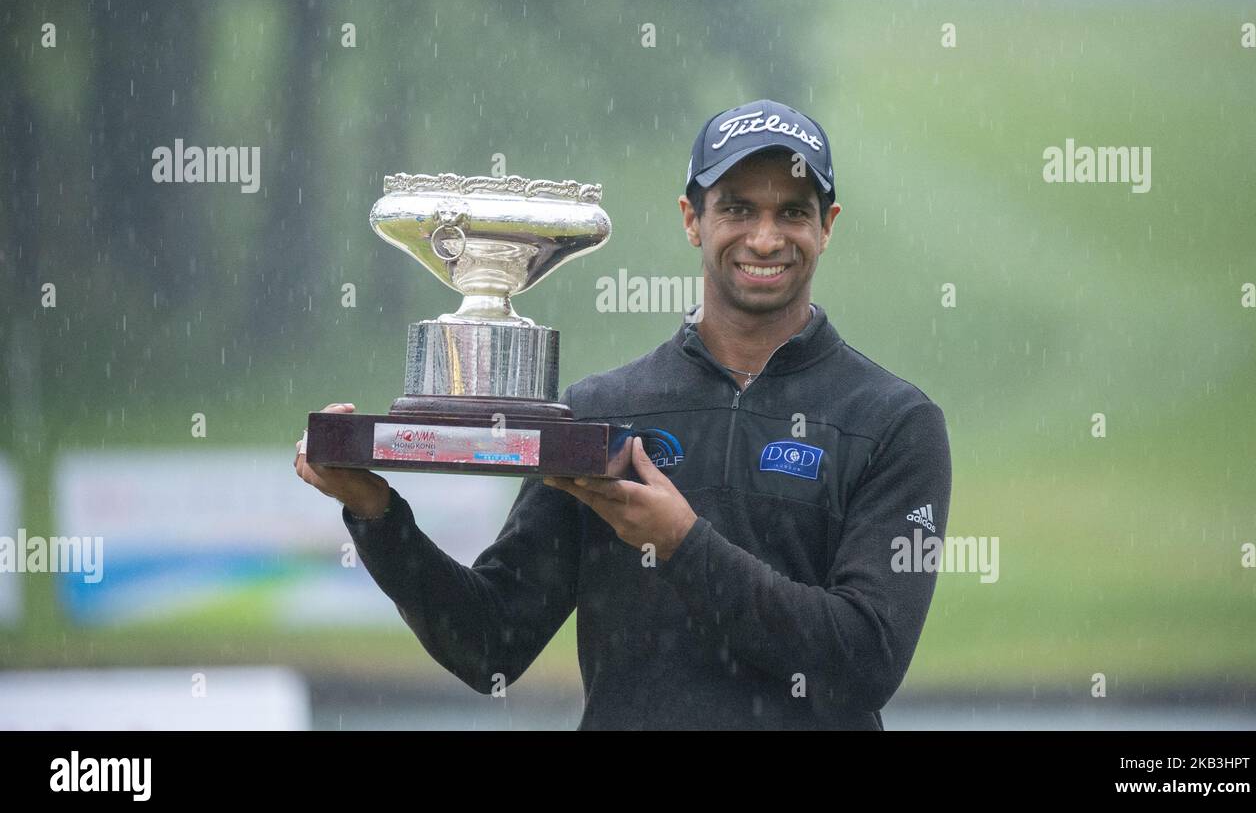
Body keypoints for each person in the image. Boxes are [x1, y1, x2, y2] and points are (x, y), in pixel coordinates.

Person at [294, 98, 952, 729]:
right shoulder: (600, 413)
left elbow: (865, 659)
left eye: (792, 212)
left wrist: (681, 544)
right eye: (738, 208)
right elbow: (490, 640)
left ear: (826, 225)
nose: (765, 236)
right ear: (692, 219)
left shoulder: (893, 423)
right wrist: (376, 514)